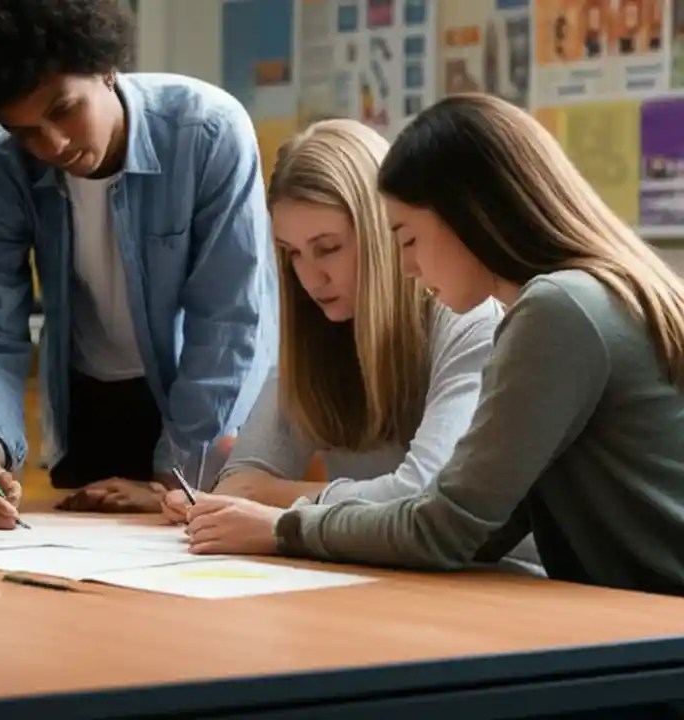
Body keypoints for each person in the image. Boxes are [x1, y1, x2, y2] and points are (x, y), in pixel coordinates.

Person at [179, 93, 684, 599]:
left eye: (407, 238)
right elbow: (483, 525)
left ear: (469, 217)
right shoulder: (590, 296)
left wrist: (282, 527)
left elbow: (444, 527)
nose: (406, 268)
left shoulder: (559, 308)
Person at [0, 0, 278, 525]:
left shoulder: (208, 133)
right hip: (90, 403)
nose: (53, 143)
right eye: (24, 131)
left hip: (203, 404)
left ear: (107, 67)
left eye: (64, 109)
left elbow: (230, 324)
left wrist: (170, 483)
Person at [160, 119, 540, 567]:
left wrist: (273, 503)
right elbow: (245, 475)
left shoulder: (469, 318)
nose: (309, 277)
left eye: (328, 248)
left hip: (504, 582)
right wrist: (228, 504)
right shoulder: (319, 328)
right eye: (292, 253)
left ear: (383, 234)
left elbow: (424, 497)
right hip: (386, 579)